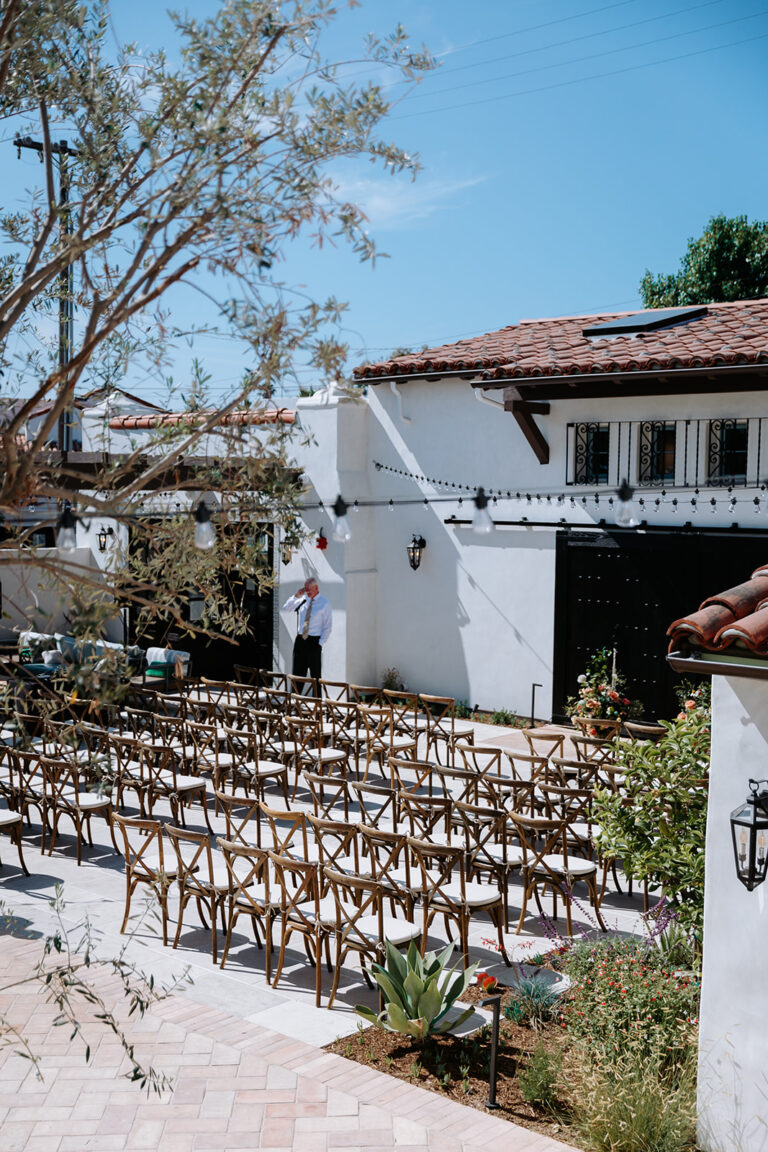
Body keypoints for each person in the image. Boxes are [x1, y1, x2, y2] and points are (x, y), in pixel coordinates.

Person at [282, 577, 332, 682]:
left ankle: (316, 698)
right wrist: (296, 596)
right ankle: (296, 698)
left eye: (309, 589)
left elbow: (327, 626)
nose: (307, 591)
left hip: (314, 642)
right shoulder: (303, 600)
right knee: (297, 675)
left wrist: (320, 644)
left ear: (316, 587)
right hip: (301, 641)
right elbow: (286, 608)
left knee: (315, 677)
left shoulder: (324, 603)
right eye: (305, 588)